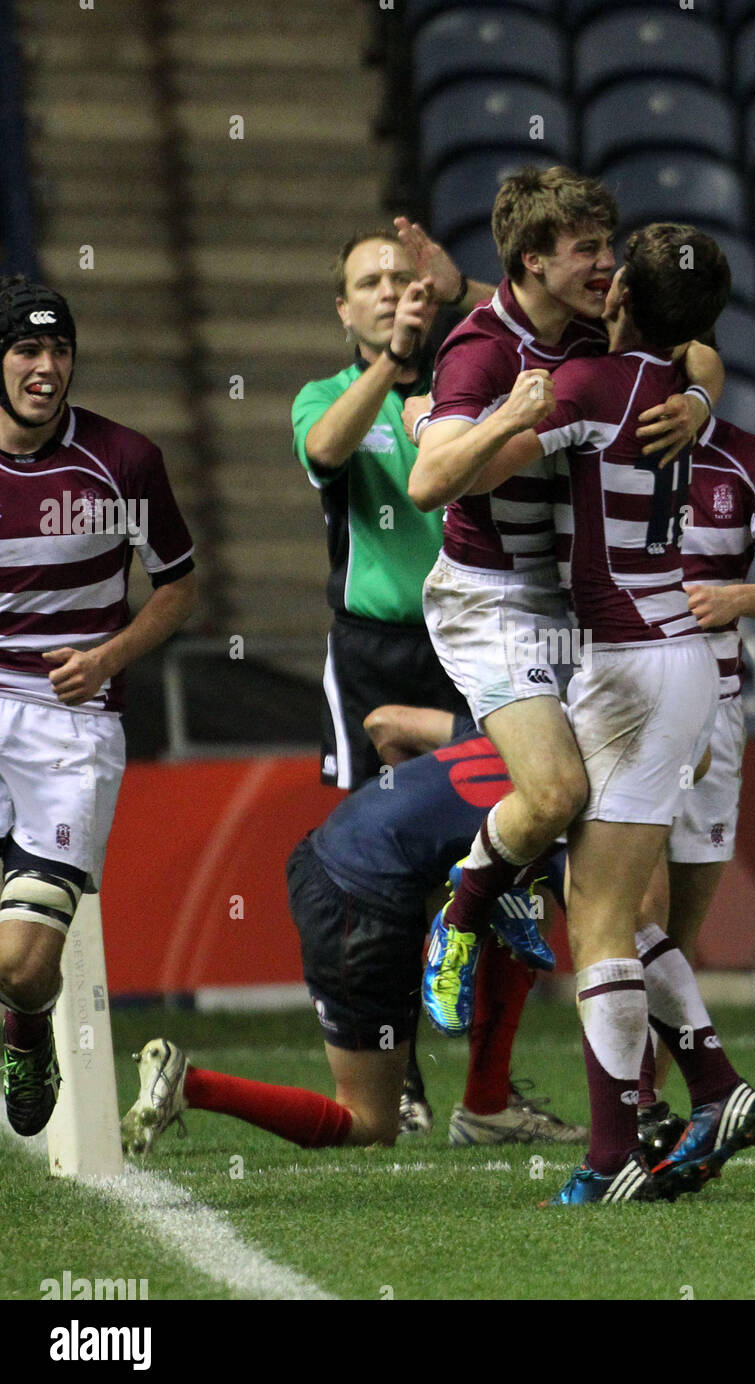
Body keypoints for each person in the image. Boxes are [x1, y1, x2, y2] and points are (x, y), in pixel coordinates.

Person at [457, 223, 755, 1204]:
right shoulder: (673, 386)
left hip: (635, 665)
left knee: (598, 917)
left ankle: (608, 1153)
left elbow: (474, 465)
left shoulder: (595, 387)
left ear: (622, 297)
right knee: (615, 914)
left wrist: (452, 416)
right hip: (666, 657)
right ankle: (709, 1088)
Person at [408, 168, 722, 1039]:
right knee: (553, 795)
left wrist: (697, 399)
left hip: (577, 605)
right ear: (533, 259)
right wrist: (506, 418)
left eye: (607, 247)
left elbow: (697, 348)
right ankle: (462, 916)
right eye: (586, 249)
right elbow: (428, 480)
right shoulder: (478, 352)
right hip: (492, 596)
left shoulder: (595, 327)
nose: (606, 265)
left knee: (633, 880)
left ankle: (675, 1097)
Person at [120, 712, 584, 1156]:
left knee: (520, 890)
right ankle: (191, 1085)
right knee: (368, 1125)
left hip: (340, 856)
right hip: (358, 899)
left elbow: (385, 720)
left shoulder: (496, 727)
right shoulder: (567, 800)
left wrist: (411, 805)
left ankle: (487, 1106)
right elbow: (603, 933)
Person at [291, 221, 496, 1133]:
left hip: (475, 646)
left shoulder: (464, 383)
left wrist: (463, 298)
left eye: (401, 278)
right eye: (369, 282)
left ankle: (489, 1094)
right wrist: (392, 360)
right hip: (374, 654)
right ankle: (396, 1074)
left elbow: (558, 344)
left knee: (498, 862)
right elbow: (328, 453)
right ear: (345, 309)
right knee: (388, 866)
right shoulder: (327, 395)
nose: (387, 291)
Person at [0, 276, 196, 1137]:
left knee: (22, 964)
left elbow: (179, 589)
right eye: (27, 350)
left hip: (71, 727)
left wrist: (109, 656)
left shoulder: (123, 461)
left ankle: (27, 1027)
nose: (46, 368)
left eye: (59, 350)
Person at [637, 398, 755, 1124]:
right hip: (627, 703)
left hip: (716, 713)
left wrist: (735, 597)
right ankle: (638, 1108)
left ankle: (651, 1099)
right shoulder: (604, 441)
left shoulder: (745, 459)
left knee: (677, 936)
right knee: (638, 912)